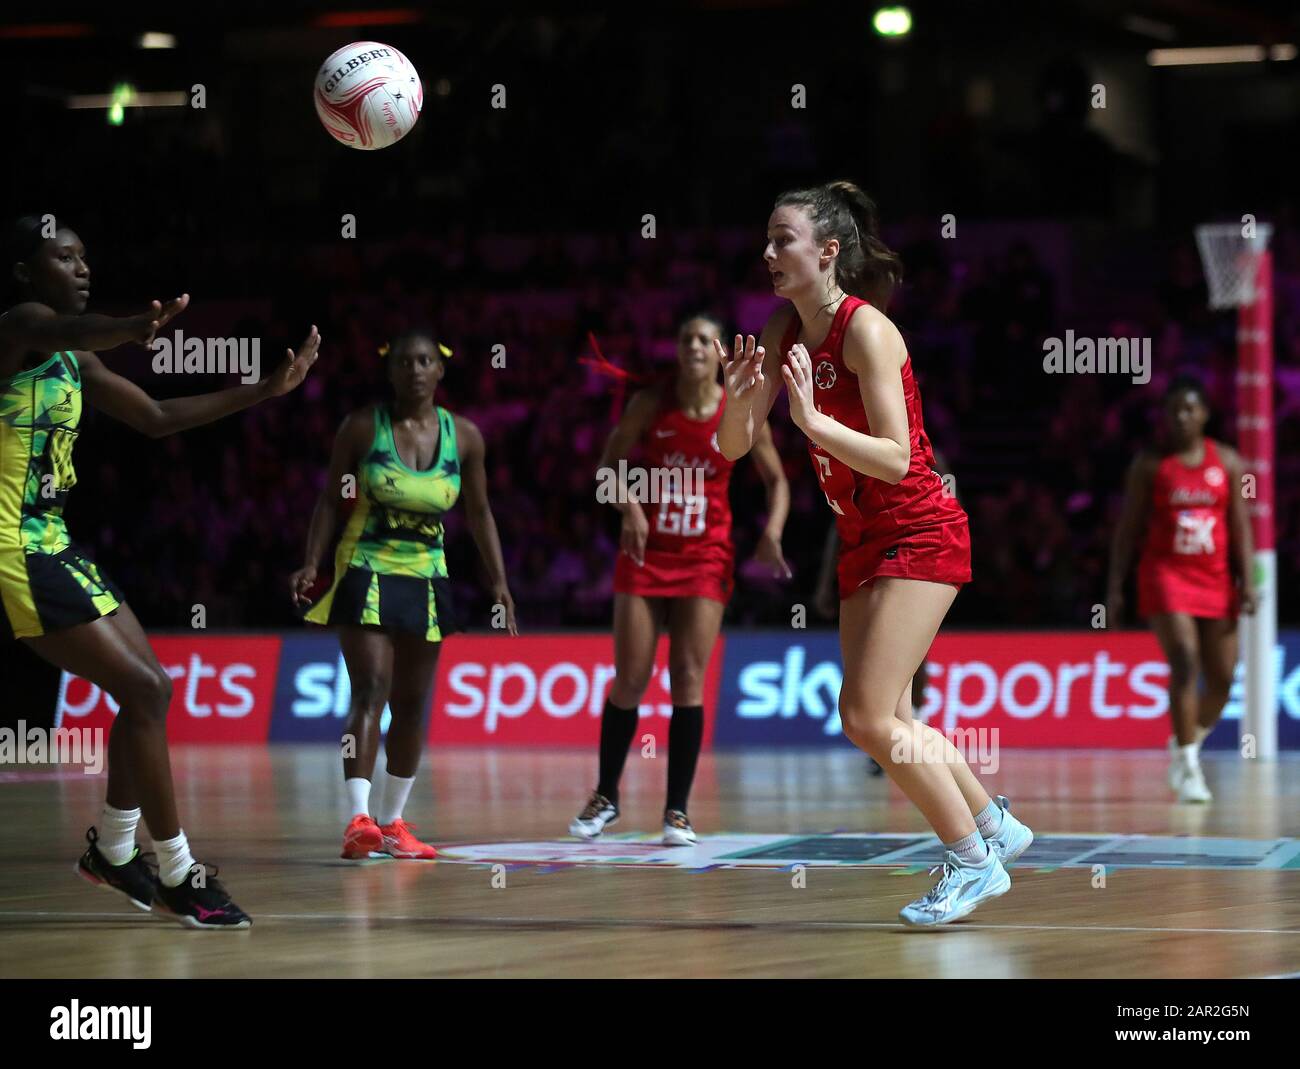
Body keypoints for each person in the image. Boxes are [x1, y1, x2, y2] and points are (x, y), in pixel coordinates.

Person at [715, 181, 1033, 927]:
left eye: (782, 238)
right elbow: (731, 448)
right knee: (891, 712)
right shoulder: (778, 330)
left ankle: (971, 863)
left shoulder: (869, 332)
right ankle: (993, 825)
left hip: (918, 527)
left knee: (863, 716)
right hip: (861, 537)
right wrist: (737, 401)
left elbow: (894, 458)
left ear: (827, 251)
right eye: (766, 238)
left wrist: (812, 423)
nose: (767, 252)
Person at [1, 215, 319, 928]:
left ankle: (114, 851)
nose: (81, 267)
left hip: (58, 543)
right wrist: (130, 327)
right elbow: (74, 331)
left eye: (86, 255)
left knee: (152, 691)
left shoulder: (73, 361)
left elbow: (154, 415)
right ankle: (178, 870)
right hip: (13, 551)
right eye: (63, 257)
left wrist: (262, 390)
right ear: (26, 271)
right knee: (144, 688)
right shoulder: (19, 327)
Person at [293, 329, 516, 860]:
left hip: (428, 577)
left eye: (423, 362)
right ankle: (358, 819)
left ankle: (392, 825)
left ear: (440, 371)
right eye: (403, 362)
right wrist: (311, 561)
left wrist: (500, 584)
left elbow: (479, 513)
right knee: (370, 689)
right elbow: (329, 500)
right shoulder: (363, 427)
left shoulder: (465, 436)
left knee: (412, 705)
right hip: (365, 568)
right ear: (388, 371)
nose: (414, 370)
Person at [571, 313, 791, 845]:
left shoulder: (737, 409)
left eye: (702, 338)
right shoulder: (651, 404)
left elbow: (778, 481)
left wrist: (773, 533)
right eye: (684, 337)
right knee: (630, 677)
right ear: (675, 348)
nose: (692, 345)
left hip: (704, 557)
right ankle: (606, 796)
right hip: (646, 556)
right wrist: (628, 508)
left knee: (688, 679)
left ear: (717, 351)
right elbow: (606, 469)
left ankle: (677, 812)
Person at [1107, 374, 1256, 803]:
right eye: (1174, 410)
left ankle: (1183, 741)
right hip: (1166, 576)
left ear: (1205, 413)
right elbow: (1128, 529)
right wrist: (1114, 588)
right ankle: (1189, 765)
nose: (1181, 417)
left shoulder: (1227, 462)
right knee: (1186, 662)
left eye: (1190, 409)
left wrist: (1246, 580)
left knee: (1224, 679)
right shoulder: (1151, 465)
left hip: (1215, 580)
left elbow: (1240, 529)